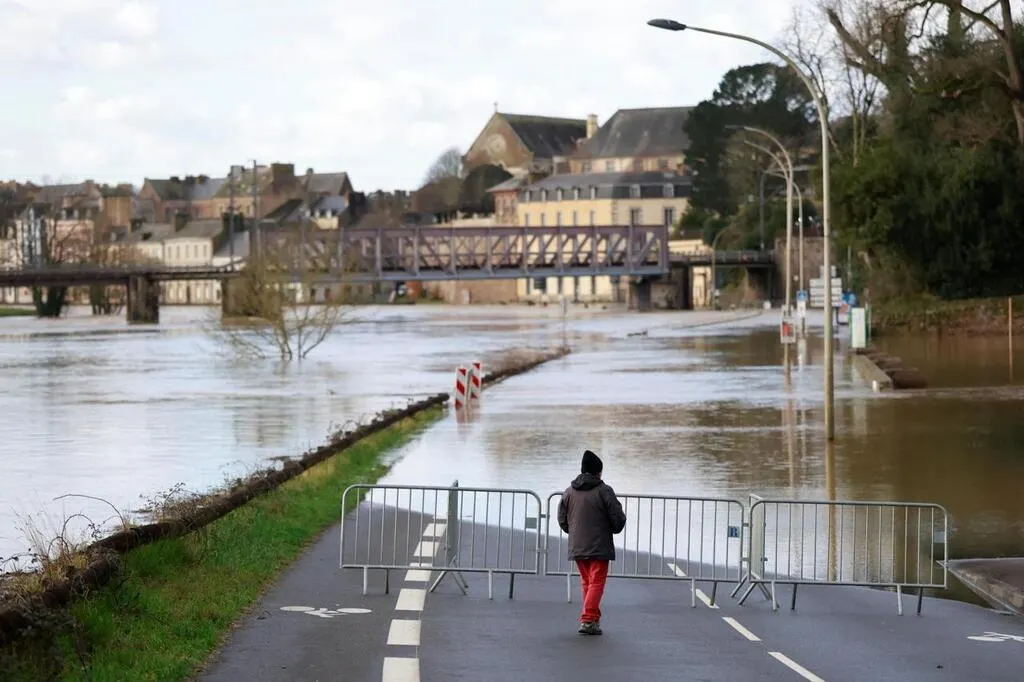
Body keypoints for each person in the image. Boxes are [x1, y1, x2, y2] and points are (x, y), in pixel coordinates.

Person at [557, 449, 627, 635]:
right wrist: (613, 528)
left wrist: (574, 532)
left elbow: (562, 520)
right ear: (598, 471)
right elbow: (618, 518)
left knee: (587, 582)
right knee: (596, 582)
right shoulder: (604, 491)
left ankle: (593, 620)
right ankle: (588, 619)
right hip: (599, 545)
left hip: (577, 545)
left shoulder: (569, 492)